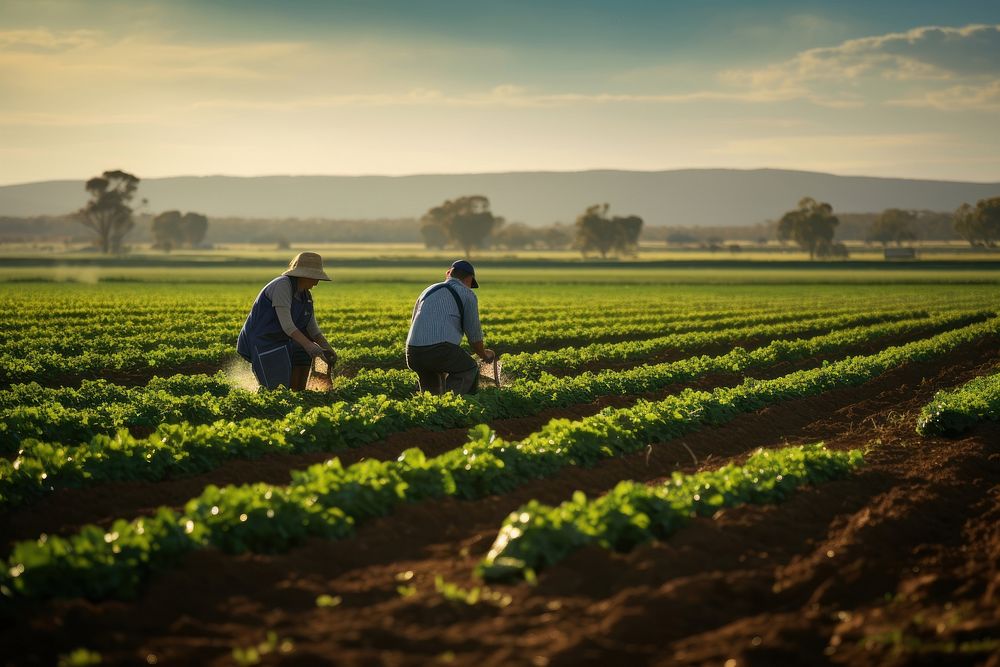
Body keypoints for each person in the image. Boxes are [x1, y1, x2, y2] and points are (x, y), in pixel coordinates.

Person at [237, 251, 336, 391]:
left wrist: (327, 349)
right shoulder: (282, 286)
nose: (317, 282)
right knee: (278, 390)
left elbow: (312, 330)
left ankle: (305, 392)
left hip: (284, 341)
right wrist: (310, 347)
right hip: (264, 341)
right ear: (304, 275)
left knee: (308, 355)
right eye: (315, 277)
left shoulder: (306, 295)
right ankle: (281, 400)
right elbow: (288, 326)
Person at [406, 259, 495, 395]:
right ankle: (455, 405)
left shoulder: (427, 290)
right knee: (469, 368)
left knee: (433, 394)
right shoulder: (467, 294)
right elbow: (474, 335)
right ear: (470, 279)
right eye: (471, 284)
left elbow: (414, 321)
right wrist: (484, 354)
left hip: (413, 353)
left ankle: (435, 410)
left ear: (448, 274)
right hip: (439, 350)